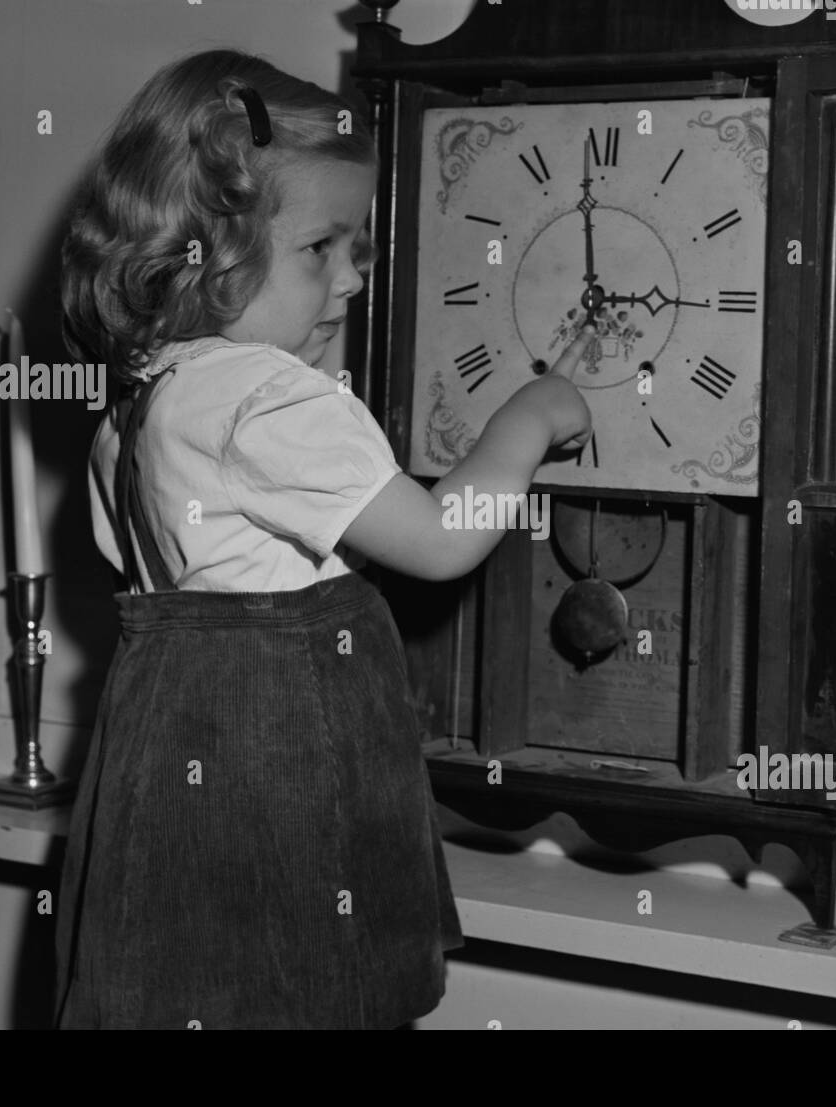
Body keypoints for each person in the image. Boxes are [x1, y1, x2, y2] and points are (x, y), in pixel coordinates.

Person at [52, 48, 593, 1029]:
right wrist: (529, 414)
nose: (349, 280)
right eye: (320, 248)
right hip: (280, 788)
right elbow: (438, 539)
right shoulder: (269, 396)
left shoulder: (132, 414)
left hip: (170, 795)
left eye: (359, 247)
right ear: (203, 256)